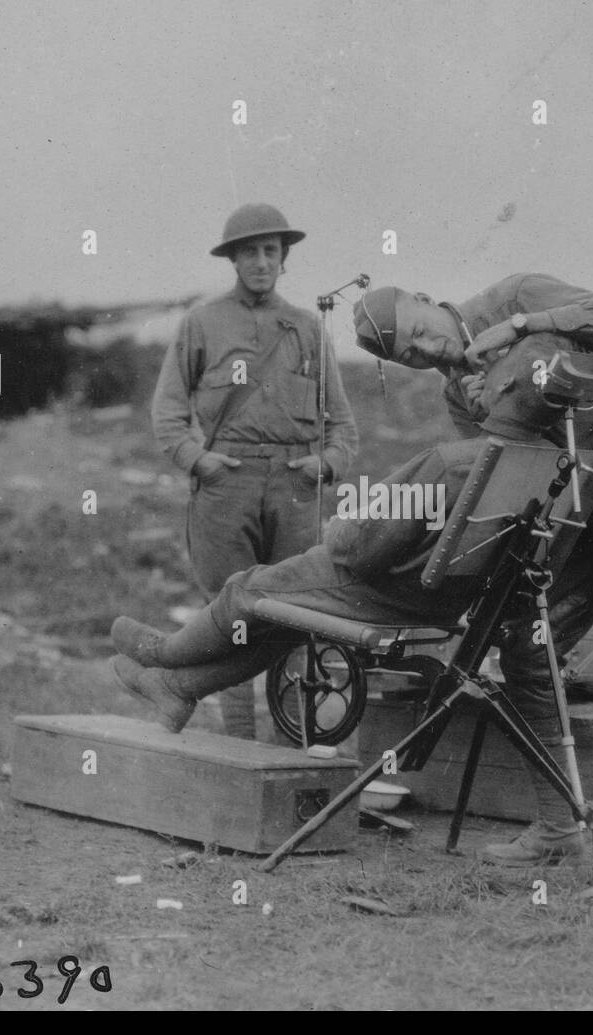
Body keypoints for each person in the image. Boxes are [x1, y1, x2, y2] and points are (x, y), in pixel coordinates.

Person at [353, 274, 593, 879]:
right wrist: (498, 415)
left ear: (428, 301)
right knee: (527, 648)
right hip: (573, 491)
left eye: (421, 333)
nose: (428, 352)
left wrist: (524, 328)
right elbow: (510, 473)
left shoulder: (518, 297)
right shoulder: (459, 396)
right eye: (410, 355)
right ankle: (559, 827)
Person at [111, 334, 593, 737]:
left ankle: (164, 656)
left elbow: (359, 552)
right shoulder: (560, 466)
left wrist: (341, 527)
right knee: (288, 620)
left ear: (502, 390)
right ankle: (178, 688)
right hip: (444, 603)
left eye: (493, 372)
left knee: (247, 590)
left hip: (378, 590)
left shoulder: (452, 464)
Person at [150, 203, 358, 740]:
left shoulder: (310, 328)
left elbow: (343, 425)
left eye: (270, 251)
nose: (261, 261)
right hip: (228, 485)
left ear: (283, 259)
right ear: (234, 259)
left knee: (301, 616)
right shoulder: (202, 322)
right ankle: (237, 748)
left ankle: (298, 746)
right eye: (250, 252)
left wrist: (327, 465)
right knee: (229, 621)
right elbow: (168, 411)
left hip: (295, 487)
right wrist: (199, 461)